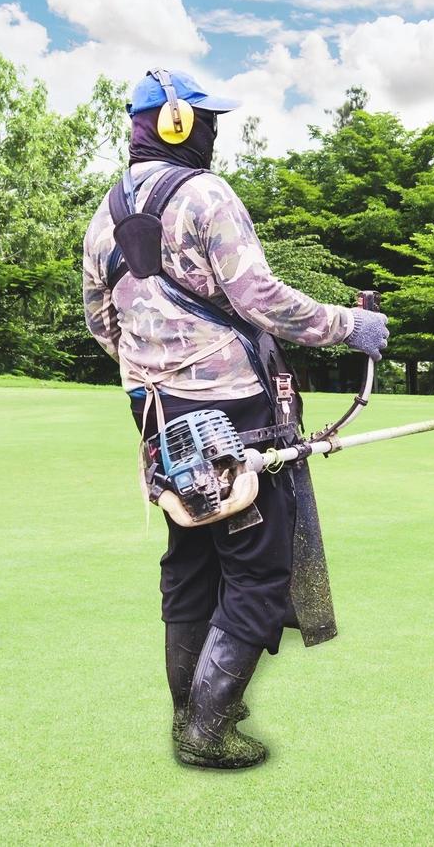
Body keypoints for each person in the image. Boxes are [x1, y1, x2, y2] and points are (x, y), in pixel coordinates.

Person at [82, 69, 389, 769]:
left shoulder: (103, 212)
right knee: (255, 567)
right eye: (208, 119)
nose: (215, 131)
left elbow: (102, 322)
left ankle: (190, 703)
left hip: (158, 417)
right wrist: (349, 326)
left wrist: (157, 368)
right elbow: (259, 297)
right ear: (177, 123)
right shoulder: (205, 194)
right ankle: (207, 728)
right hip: (235, 415)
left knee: (191, 557)